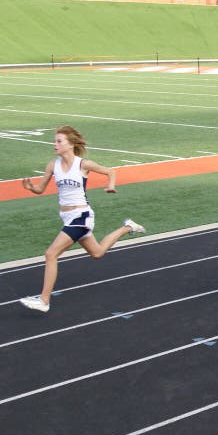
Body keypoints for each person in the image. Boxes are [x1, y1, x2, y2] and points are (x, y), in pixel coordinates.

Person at [19, 126, 145, 313]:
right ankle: (128, 227)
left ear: (70, 144)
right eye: (55, 141)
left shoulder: (83, 164)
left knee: (50, 254)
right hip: (67, 217)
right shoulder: (52, 165)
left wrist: (110, 186)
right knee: (98, 253)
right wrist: (31, 188)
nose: (55, 144)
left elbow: (110, 171)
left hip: (82, 216)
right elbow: (40, 189)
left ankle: (44, 300)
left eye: (59, 141)